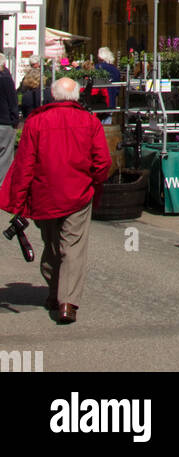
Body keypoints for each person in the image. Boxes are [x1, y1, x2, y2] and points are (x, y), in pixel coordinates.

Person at [0, 75, 112, 324]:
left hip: (44, 194)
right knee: (71, 247)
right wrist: (94, 182)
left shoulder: (36, 121)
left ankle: (54, 293)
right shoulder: (89, 121)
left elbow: (24, 164)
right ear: (76, 97)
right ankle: (67, 302)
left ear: (53, 96)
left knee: (51, 245)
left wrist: (17, 201)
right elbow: (103, 161)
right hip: (78, 193)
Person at [0, 54, 19, 182]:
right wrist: (15, 119)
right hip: (5, 121)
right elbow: (13, 101)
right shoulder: (5, 78)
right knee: (5, 156)